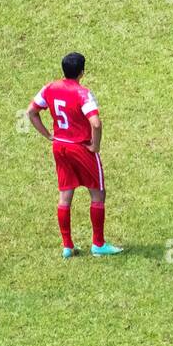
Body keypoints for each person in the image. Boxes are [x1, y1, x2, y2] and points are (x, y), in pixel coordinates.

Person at [25, 52, 123, 257]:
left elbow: (31, 112)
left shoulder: (49, 88)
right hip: (80, 147)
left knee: (65, 195)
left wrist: (48, 135)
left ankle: (67, 246)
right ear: (82, 71)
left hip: (60, 147)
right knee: (97, 194)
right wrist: (95, 146)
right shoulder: (83, 93)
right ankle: (98, 244)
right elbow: (96, 123)